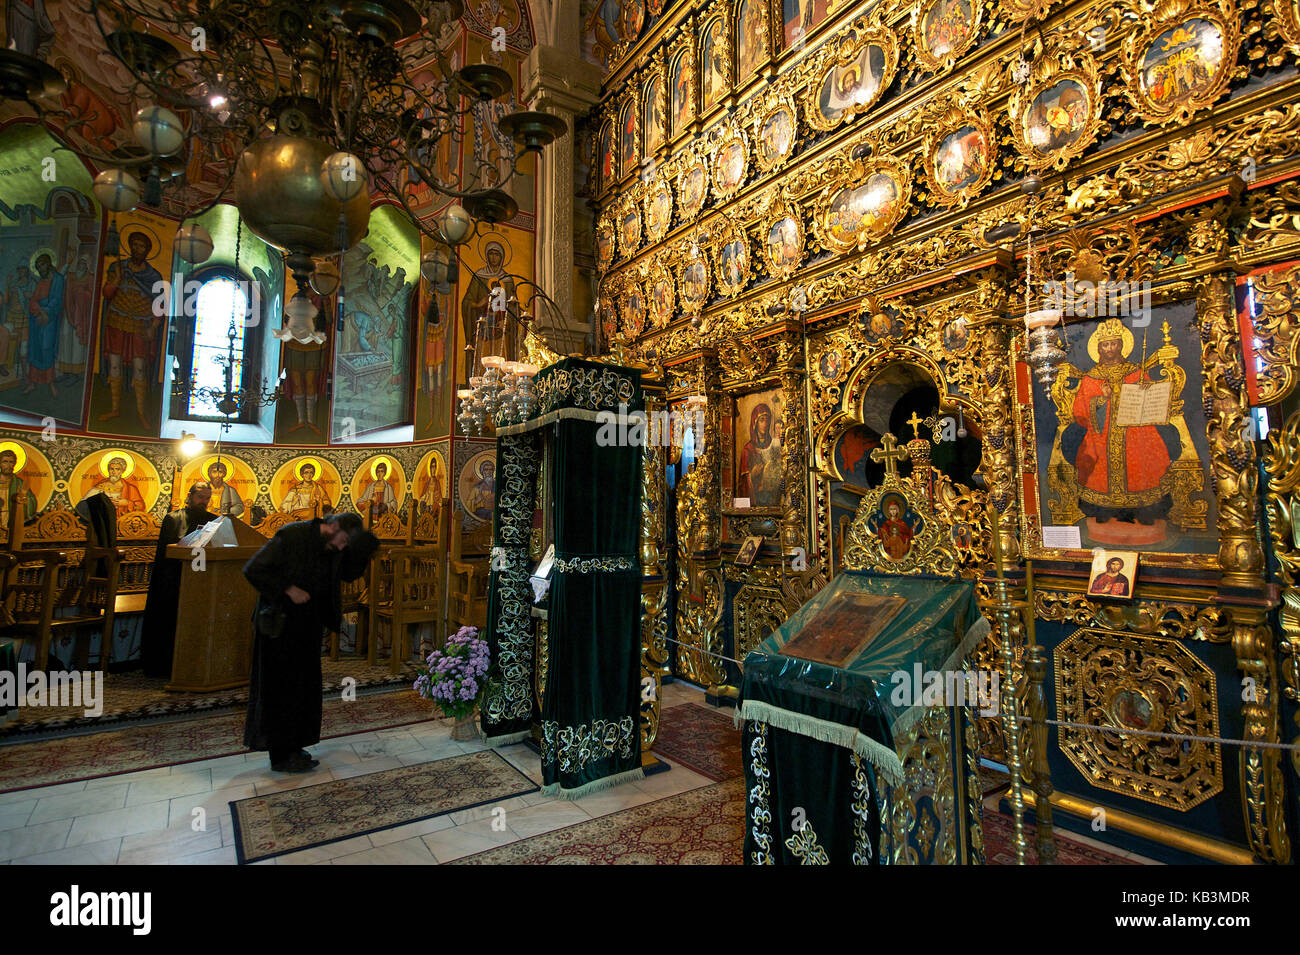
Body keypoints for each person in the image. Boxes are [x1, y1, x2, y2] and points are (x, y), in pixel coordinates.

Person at [242, 513, 378, 772]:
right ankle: (280, 754)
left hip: (308, 625)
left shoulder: (334, 545)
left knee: (302, 688)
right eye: (343, 541)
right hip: (279, 625)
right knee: (280, 689)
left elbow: (347, 574)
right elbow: (254, 569)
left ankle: (294, 746)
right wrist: (288, 589)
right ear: (333, 526)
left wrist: (363, 551)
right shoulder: (292, 534)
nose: (341, 548)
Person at [1060, 319, 1182, 526]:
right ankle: (1104, 509)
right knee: (1097, 469)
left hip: (1134, 434)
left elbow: (1152, 405)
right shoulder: (1091, 378)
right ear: (1099, 348)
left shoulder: (1136, 372)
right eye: (1105, 345)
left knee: (1143, 462)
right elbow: (1079, 411)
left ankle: (1141, 509)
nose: (1109, 349)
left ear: (1121, 345)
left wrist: (1145, 390)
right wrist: (1101, 399)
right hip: (1101, 435)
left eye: (1113, 344)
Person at [140, 482, 218, 678]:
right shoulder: (173, 518)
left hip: (202, 579)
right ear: (190, 496)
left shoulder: (214, 521)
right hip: (173, 579)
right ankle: (165, 665)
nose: (204, 502)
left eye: (207, 498)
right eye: (200, 497)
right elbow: (168, 551)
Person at [99, 231, 164, 426]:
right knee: (115, 365)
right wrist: (117, 279)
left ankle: (141, 412)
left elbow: (159, 303)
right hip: (117, 320)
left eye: (141, 246)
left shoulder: (153, 276)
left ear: (147, 251)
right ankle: (115, 408)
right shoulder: (117, 267)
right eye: (134, 245)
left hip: (140, 326)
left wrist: (154, 325)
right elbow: (107, 293)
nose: (137, 249)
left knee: (140, 368)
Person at [738, 402, 781, 506]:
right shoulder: (748, 450)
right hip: (755, 500)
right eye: (762, 420)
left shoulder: (774, 445)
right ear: (755, 423)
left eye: (767, 420)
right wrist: (752, 475)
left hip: (773, 498)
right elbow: (742, 483)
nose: (765, 424)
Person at [0, 448, 37, 536]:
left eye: (11, 462)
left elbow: (32, 501)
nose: (8, 465)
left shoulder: (19, 483)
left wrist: (24, 500)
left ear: (15, 464)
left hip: (11, 517)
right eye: (5, 462)